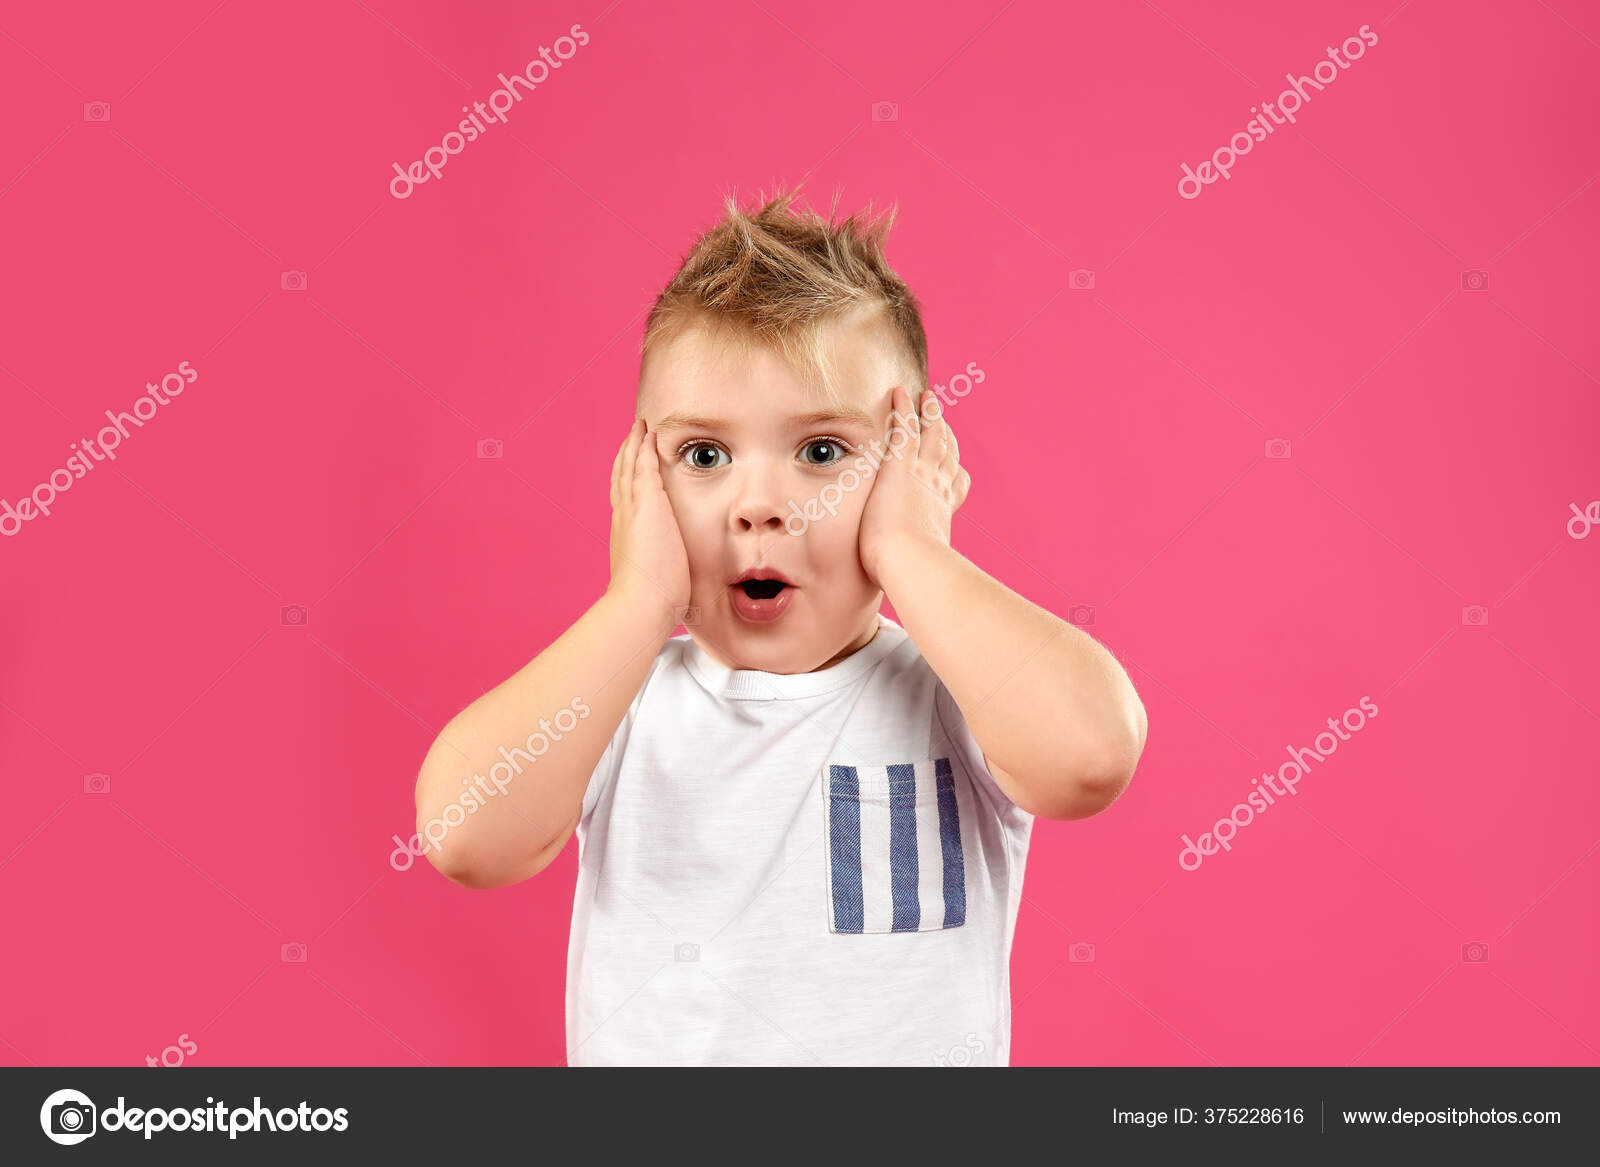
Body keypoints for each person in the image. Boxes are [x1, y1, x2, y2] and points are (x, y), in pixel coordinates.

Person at [414, 189, 1148, 1065]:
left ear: (913, 465)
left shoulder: (959, 693)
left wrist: (912, 549)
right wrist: (638, 599)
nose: (759, 505)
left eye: (822, 452)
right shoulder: (620, 698)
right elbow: (464, 834)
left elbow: (1090, 755)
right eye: (704, 455)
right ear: (642, 481)